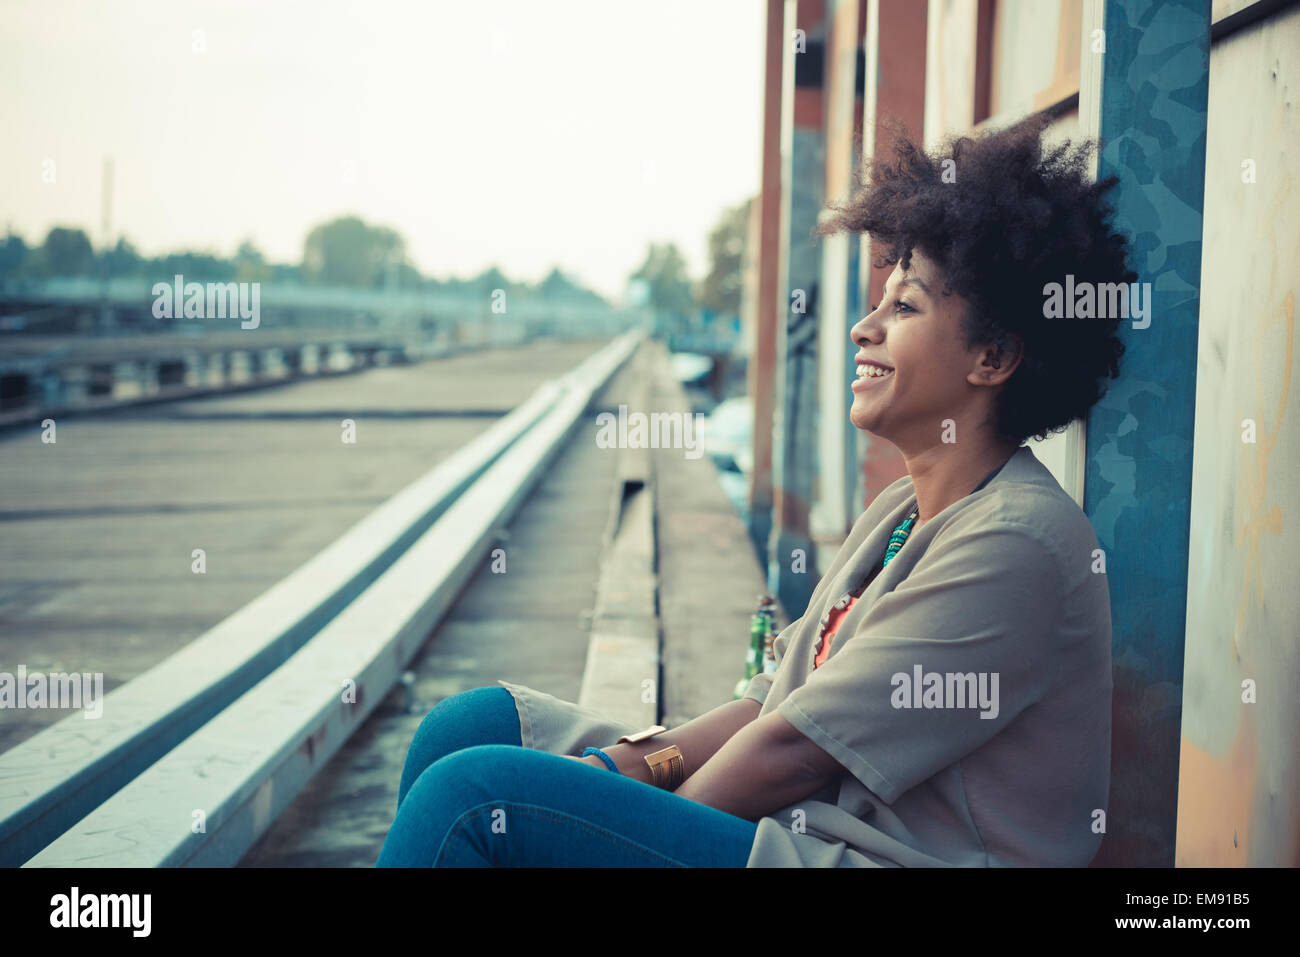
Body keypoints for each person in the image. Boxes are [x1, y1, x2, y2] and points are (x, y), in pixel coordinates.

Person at [376, 111, 1133, 868]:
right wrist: (625, 769)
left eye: (904, 306)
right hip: (808, 820)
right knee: (469, 728)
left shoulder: (1017, 542)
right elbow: (771, 700)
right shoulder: (905, 509)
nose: (863, 327)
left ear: (994, 356)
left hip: (865, 853)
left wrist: (610, 828)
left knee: (472, 798)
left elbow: (793, 750)